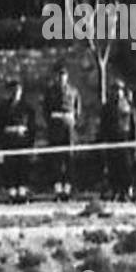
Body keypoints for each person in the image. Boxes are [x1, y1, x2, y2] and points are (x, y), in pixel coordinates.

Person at [0, 78, 35, 202]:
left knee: (22, 167)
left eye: (18, 90)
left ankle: (21, 193)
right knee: (10, 168)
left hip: (22, 142)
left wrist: (30, 143)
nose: (15, 92)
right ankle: (11, 193)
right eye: (13, 90)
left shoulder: (27, 108)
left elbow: (31, 128)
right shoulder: (3, 107)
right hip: (9, 142)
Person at [43, 64, 81, 198]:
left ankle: (68, 186)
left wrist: (72, 119)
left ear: (67, 77)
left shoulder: (73, 91)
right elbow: (46, 110)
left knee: (69, 157)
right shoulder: (50, 91)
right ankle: (57, 187)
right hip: (55, 127)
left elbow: (77, 110)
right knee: (56, 158)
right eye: (59, 76)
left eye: (64, 76)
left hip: (69, 127)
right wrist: (53, 120)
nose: (61, 78)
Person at [99, 79, 136, 200]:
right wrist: (103, 139)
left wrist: (135, 141)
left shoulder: (128, 105)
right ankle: (115, 190)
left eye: (120, 90)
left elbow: (134, 123)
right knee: (113, 166)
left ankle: (126, 190)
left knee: (126, 166)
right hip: (112, 138)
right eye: (115, 90)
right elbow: (103, 124)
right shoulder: (107, 106)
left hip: (125, 138)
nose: (118, 92)